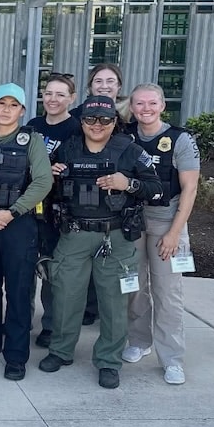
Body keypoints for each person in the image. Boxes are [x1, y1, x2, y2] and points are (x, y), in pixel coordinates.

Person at [38, 96, 162, 389]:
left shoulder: (130, 150)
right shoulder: (66, 149)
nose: (97, 125)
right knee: (65, 296)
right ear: (81, 121)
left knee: (114, 302)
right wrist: (50, 175)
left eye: (105, 120)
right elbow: (42, 188)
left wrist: (127, 184)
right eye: (90, 119)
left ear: (114, 122)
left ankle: (108, 360)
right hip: (74, 233)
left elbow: (157, 189)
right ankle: (61, 350)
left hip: (115, 235)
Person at [0, 84, 52, 381]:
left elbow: (43, 182)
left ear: (23, 111)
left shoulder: (33, 141)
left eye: (13, 105)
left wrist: (11, 212)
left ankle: (16, 355)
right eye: (1, 103)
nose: (6, 109)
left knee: (18, 291)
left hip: (18, 224)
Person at [124, 83, 200, 385]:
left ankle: (172, 359)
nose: (146, 109)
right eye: (140, 103)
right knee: (133, 287)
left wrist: (174, 233)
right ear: (132, 107)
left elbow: (190, 189)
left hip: (167, 221)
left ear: (162, 106)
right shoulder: (125, 136)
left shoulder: (180, 139)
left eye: (152, 103)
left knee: (167, 292)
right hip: (132, 220)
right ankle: (138, 341)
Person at [70, 63, 131, 326]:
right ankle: (86, 310)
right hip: (83, 203)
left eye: (110, 81)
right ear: (89, 86)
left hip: (121, 208)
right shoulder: (77, 117)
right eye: (98, 81)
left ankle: (114, 322)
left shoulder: (132, 117)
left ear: (119, 86)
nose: (104, 86)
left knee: (117, 274)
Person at [27, 73, 81, 348]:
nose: (53, 99)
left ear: (72, 98)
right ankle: (22, 319)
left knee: (52, 269)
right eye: (48, 93)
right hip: (30, 207)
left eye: (60, 94)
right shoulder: (33, 126)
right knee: (25, 266)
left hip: (59, 210)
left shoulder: (77, 129)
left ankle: (50, 325)